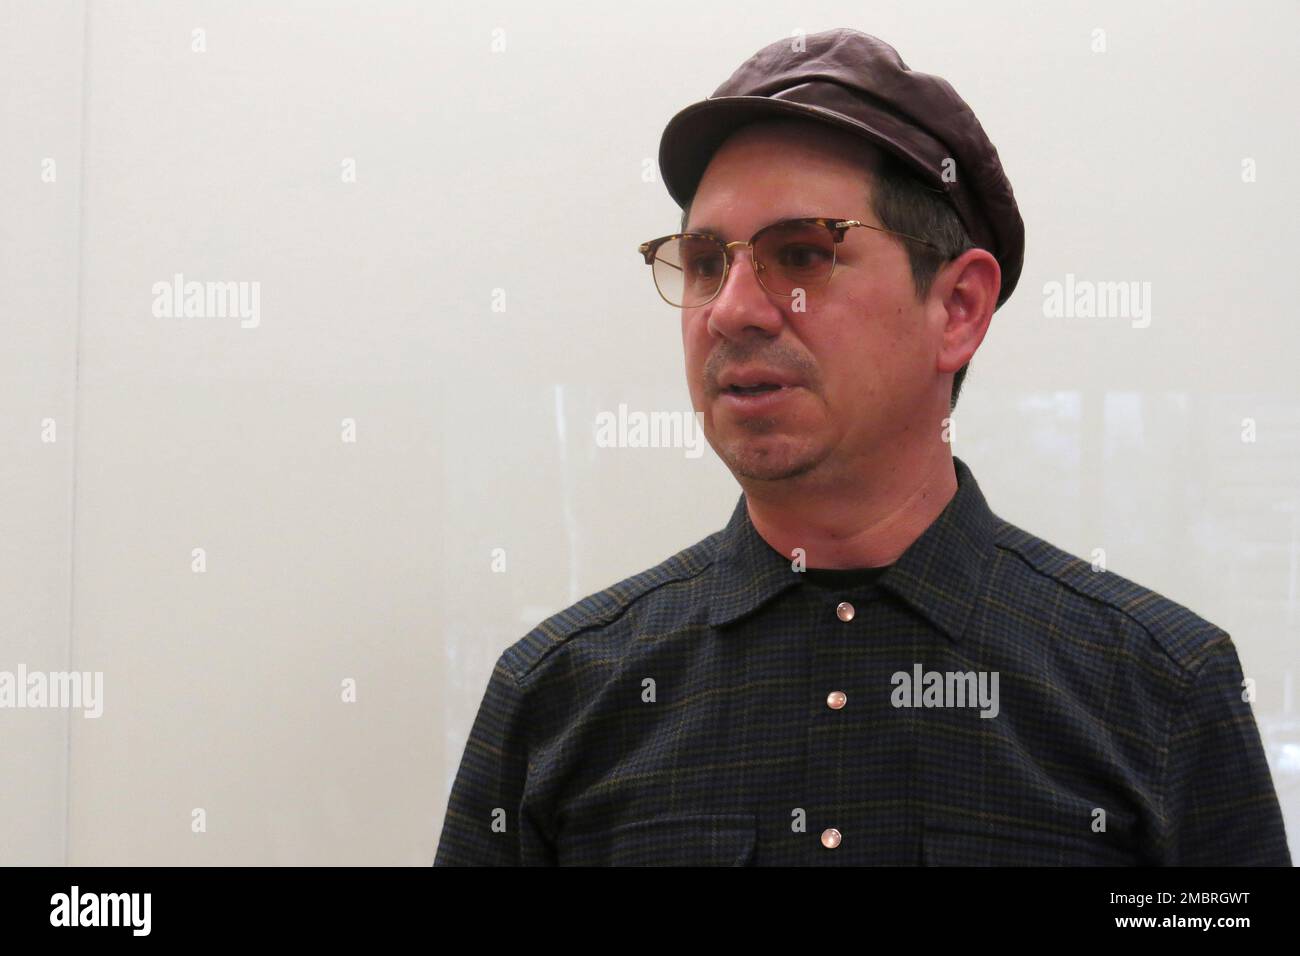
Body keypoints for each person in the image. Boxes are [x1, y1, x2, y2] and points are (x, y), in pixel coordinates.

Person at [434, 28, 1290, 866]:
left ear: (957, 309)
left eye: (801, 253)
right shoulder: (558, 697)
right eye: (703, 262)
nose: (730, 311)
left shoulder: (1159, 691)